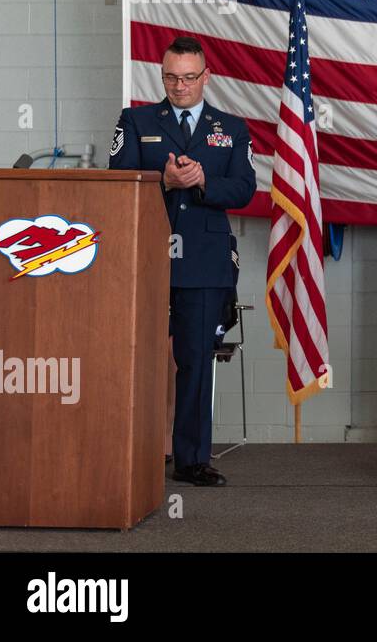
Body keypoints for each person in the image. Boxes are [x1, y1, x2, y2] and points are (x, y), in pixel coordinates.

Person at [109, 36, 256, 486]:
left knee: (195, 361)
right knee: (136, 359)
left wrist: (203, 180)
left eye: (189, 77)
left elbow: (245, 190)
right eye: (171, 77)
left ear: (205, 77)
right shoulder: (135, 120)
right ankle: (132, 451)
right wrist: (166, 183)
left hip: (205, 261)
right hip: (145, 259)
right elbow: (119, 184)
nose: (179, 86)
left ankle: (192, 459)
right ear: (162, 75)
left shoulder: (231, 127)